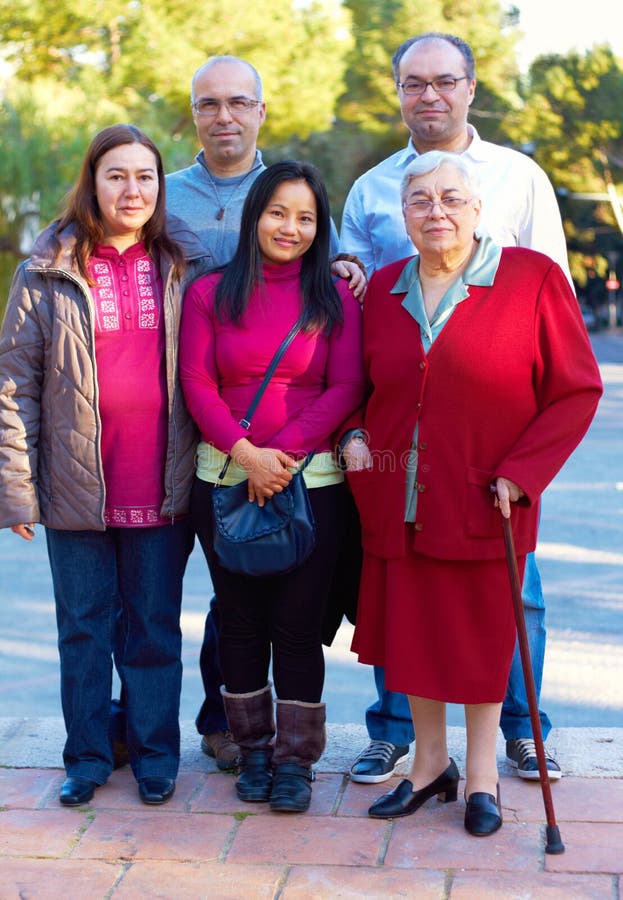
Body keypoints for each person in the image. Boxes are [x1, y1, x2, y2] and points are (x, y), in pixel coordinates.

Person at [344, 151, 601, 835]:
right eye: (421, 200)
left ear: (478, 209)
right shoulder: (385, 288)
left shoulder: (531, 279)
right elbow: (352, 389)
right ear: (402, 216)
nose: (436, 211)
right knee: (414, 638)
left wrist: (523, 471)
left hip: (489, 497)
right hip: (397, 498)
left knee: (483, 641)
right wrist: (352, 437)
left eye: (451, 198)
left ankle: (481, 776)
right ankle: (429, 769)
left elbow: (575, 389)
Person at [0, 124, 212, 807]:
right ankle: (87, 758)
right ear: (91, 181)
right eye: (116, 175)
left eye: (145, 176)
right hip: (73, 488)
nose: (131, 189)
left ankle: (155, 756)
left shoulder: (185, 262)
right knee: (84, 629)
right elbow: (14, 385)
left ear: (160, 185)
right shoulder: (47, 268)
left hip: (163, 482)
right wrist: (16, 487)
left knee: (152, 629)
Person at [166, 55, 365, 768]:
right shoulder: (206, 288)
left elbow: (344, 387)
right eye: (277, 212)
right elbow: (195, 380)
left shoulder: (331, 294)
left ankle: (294, 759)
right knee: (237, 620)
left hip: (309, 482)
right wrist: (247, 455)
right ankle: (241, 744)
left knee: (300, 624)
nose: (290, 225)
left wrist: (281, 458)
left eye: (304, 216)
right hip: (220, 465)